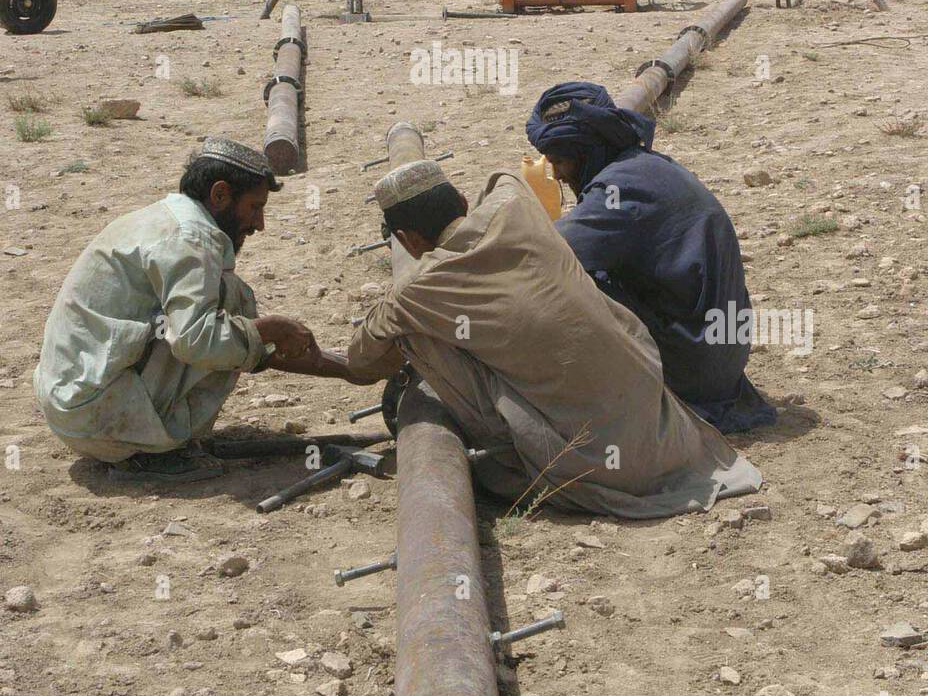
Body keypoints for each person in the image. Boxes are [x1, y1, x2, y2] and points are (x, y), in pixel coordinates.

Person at [286, 159, 762, 520]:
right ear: (462, 205)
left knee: (419, 337)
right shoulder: (514, 206)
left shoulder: (416, 291)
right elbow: (503, 176)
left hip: (599, 463)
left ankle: (516, 459)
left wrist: (303, 358)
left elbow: (364, 362)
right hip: (664, 430)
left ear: (407, 240)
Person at [34, 138, 317, 481]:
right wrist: (271, 329)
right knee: (229, 302)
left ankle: (143, 437)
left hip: (73, 404)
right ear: (220, 195)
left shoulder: (163, 218)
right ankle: (150, 450)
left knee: (225, 317)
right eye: (255, 208)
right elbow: (197, 341)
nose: (259, 224)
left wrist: (346, 369)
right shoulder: (192, 238)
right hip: (96, 417)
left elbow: (254, 350)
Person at [526, 81, 775, 433]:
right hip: (722, 357)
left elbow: (544, 257)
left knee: (565, 285)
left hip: (698, 369)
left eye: (560, 161)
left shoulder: (620, 189)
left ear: (586, 152)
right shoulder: (641, 167)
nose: (556, 175)